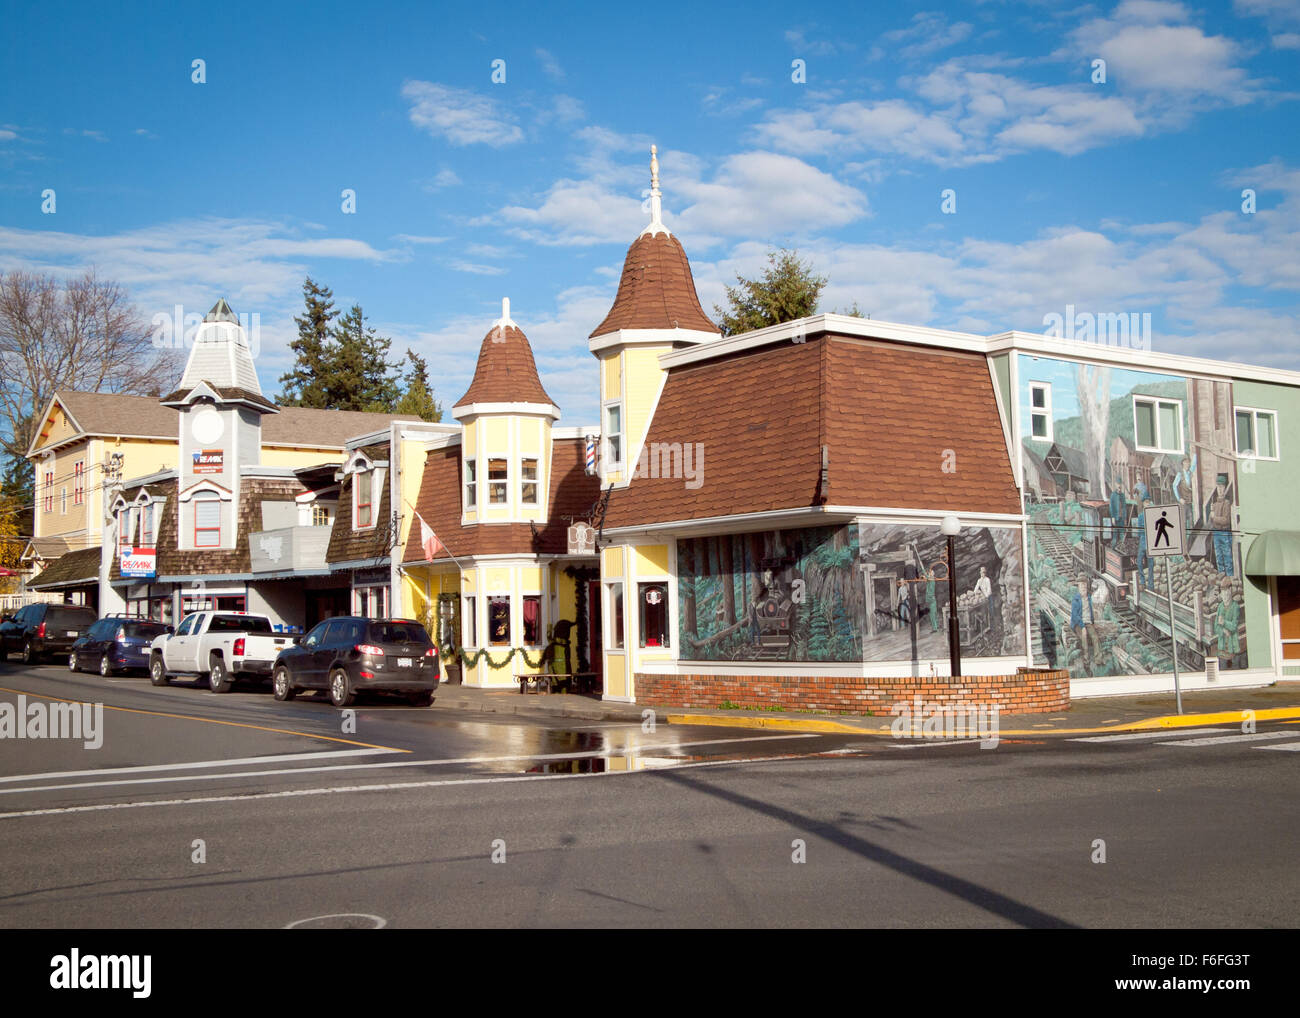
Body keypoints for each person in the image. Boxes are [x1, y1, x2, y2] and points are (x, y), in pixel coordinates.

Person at [1205, 473, 1235, 576]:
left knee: (1227, 557)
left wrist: (1214, 518)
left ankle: (1230, 578)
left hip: (1224, 533)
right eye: (1218, 487)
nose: (1220, 489)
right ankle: (1222, 578)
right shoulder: (1215, 503)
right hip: (1216, 533)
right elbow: (1210, 521)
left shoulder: (1226, 503)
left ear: (1225, 487)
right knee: (1219, 557)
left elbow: (1226, 520)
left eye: (1222, 487)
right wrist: (1211, 513)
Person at [1212, 576, 1241, 667]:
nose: (1224, 595)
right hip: (1222, 648)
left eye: (1226, 592)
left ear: (1230, 591)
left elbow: (1234, 626)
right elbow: (1216, 627)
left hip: (1232, 648)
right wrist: (1223, 630)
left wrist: (1224, 622)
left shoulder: (1235, 607)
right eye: (1223, 592)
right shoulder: (1220, 606)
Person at [1070, 575, 1096, 673]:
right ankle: (1086, 663)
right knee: (1084, 636)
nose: (1084, 587)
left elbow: (1090, 611)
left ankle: (1098, 660)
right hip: (1078, 623)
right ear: (1078, 587)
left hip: (1087, 622)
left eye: (1085, 585)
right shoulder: (1075, 599)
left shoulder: (1088, 598)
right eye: (1082, 586)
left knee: (1095, 636)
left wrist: (1092, 621)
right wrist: (1082, 627)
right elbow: (1075, 616)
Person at [1136, 497, 1156, 591]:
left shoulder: (1153, 515)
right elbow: (1139, 529)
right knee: (1139, 561)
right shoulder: (1140, 516)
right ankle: (1142, 580)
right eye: (1146, 502)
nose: (1147, 504)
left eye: (1149, 502)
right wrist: (1141, 539)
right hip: (1143, 540)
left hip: (1150, 540)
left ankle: (1151, 585)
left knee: (1151, 563)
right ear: (1143, 504)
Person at [974, 566, 992, 631]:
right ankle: (981, 627)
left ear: (985, 573)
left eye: (984, 572)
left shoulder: (987, 579)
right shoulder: (979, 580)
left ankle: (989, 627)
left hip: (989, 596)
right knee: (981, 611)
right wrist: (974, 593)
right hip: (983, 597)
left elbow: (989, 589)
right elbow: (976, 587)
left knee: (989, 611)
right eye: (982, 573)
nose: (983, 574)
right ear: (980, 573)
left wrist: (986, 596)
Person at [925, 568, 941, 633]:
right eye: (930, 573)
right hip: (930, 599)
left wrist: (923, 570)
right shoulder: (930, 580)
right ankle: (936, 626)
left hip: (932, 599)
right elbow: (926, 578)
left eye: (931, 573)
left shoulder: (932, 579)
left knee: (932, 614)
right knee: (934, 613)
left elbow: (927, 577)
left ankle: (935, 628)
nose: (930, 573)